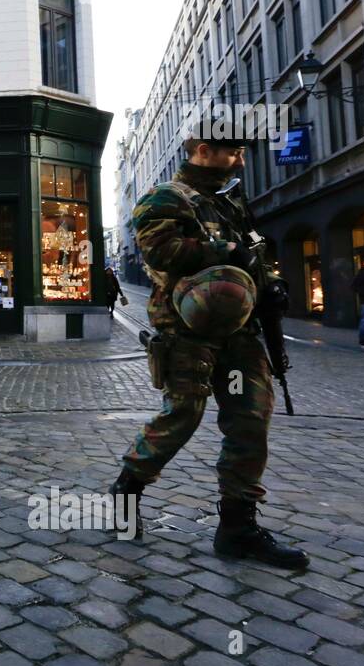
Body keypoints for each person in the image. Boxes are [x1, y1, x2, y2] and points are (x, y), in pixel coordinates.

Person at [109, 129, 309, 570]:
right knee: (183, 414)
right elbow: (161, 252)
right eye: (233, 153)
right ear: (204, 152)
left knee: (251, 417)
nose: (239, 161)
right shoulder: (165, 198)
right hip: (186, 328)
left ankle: (238, 527)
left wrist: (271, 286)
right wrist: (226, 249)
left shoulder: (231, 202)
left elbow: (257, 255)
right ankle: (126, 492)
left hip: (239, 328)